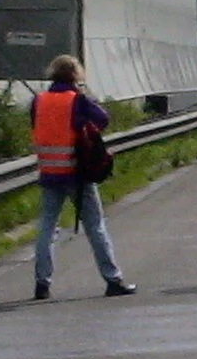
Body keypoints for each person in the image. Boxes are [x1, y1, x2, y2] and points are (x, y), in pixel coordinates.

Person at [30, 54, 135, 301]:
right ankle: (112, 279)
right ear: (76, 75)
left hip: (48, 173)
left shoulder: (39, 101)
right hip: (77, 174)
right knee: (95, 226)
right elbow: (103, 119)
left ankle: (41, 284)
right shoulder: (77, 100)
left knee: (46, 227)